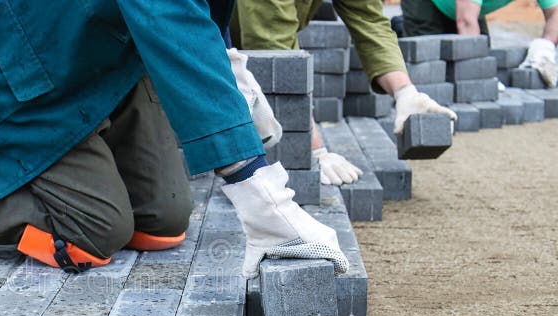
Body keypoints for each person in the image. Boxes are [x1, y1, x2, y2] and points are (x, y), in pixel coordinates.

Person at [0, 0, 348, 280]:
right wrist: (259, 192)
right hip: (16, 37)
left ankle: (78, 157)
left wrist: (229, 72)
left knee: (162, 222)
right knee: (92, 231)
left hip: (97, 39)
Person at [231, 0, 458, 186]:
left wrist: (405, 92)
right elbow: (275, 57)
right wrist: (313, 148)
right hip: (212, 36)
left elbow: (369, 19)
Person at [401, 0, 558, 88]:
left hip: (468, 7)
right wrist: (480, 79)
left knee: (480, 56)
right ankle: (399, 31)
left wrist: (545, 46)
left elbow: (555, 13)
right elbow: (465, 21)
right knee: (427, 68)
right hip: (428, 3)